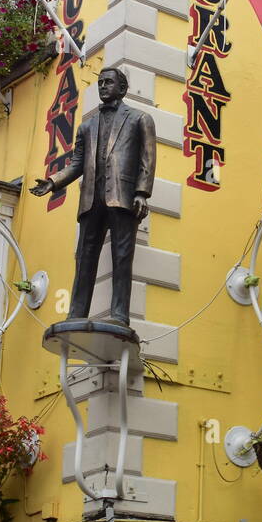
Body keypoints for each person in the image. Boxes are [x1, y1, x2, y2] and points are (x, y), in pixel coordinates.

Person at [30, 67, 155, 327]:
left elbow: (147, 159)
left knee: (122, 257)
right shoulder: (87, 126)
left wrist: (142, 193)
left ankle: (120, 314)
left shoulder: (140, 118)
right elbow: (76, 164)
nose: (102, 86)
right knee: (84, 258)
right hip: (91, 199)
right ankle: (77, 312)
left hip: (123, 196)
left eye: (108, 82)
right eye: (100, 83)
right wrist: (54, 182)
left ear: (122, 88)